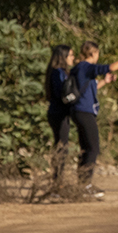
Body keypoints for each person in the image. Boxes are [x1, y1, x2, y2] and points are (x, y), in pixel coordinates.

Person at [70, 41, 118, 197]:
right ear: (93, 53)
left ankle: (82, 185)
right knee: (93, 148)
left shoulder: (79, 69)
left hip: (79, 111)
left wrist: (105, 81)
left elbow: (89, 88)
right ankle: (85, 185)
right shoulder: (86, 67)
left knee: (86, 148)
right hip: (84, 112)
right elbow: (111, 67)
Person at [43, 44, 75, 182]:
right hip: (58, 113)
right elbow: (61, 93)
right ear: (63, 57)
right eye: (71, 55)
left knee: (60, 145)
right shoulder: (58, 73)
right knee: (62, 147)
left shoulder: (58, 72)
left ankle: (57, 177)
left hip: (58, 112)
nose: (73, 58)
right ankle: (57, 179)